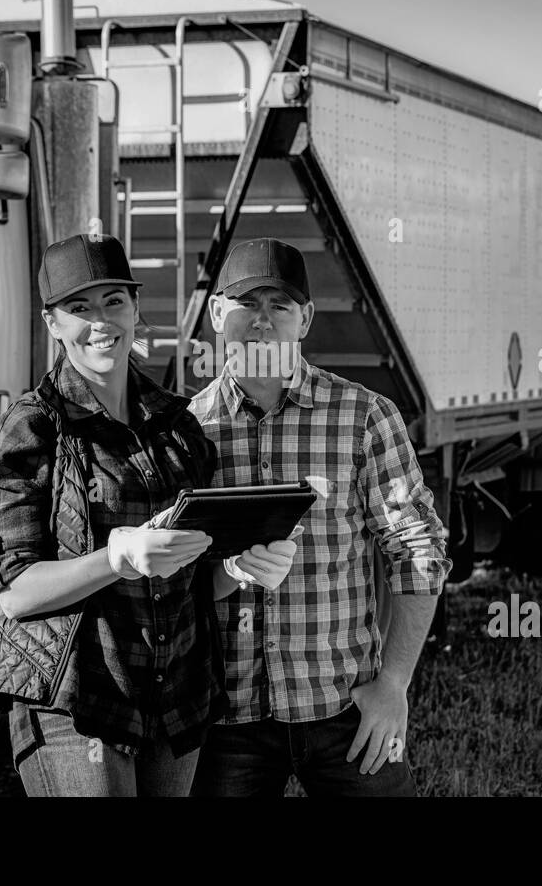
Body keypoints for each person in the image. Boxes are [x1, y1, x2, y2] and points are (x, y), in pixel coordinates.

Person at [0, 233, 298, 797]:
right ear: (52, 323)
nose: (101, 321)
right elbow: (17, 592)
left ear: (137, 309)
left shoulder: (177, 425)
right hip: (78, 701)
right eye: (79, 307)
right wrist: (116, 558)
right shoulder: (25, 433)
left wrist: (238, 568)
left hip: (175, 700)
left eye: (114, 301)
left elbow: (194, 580)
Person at [188, 237, 451, 797]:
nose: (261, 322)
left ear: (304, 319)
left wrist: (394, 684)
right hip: (226, 718)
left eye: (278, 306)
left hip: (345, 710)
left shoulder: (365, 417)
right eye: (245, 303)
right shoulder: (187, 432)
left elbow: (418, 550)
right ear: (216, 314)